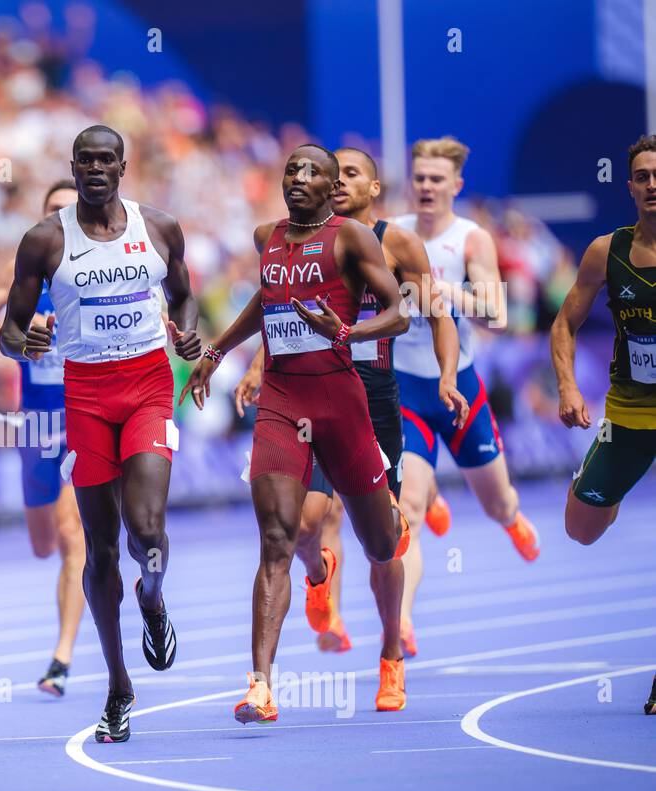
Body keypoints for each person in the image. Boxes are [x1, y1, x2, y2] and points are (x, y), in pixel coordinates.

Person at [181, 144, 409, 721]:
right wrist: (217, 350)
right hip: (283, 402)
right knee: (277, 538)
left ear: (333, 187)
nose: (300, 179)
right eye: (292, 170)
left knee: (381, 545)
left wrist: (350, 331)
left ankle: (389, 653)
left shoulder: (352, 239)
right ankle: (261, 685)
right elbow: (267, 299)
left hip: (342, 402)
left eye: (314, 173)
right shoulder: (269, 238)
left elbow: (398, 313)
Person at [232, 147, 467, 688]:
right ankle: (317, 576)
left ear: (371, 188)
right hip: (300, 395)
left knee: (380, 540)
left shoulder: (393, 242)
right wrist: (251, 362)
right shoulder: (290, 238)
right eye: (323, 174)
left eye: (348, 175)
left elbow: (433, 313)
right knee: (307, 523)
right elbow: (283, 312)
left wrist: (447, 376)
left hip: (371, 398)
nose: (334, 183)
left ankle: (391, 652)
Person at [0, 126, 201, 743]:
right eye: (83, 160)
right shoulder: (43, 241)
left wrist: (188, 339)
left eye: (104, 160)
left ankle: (154, 597)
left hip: (146, 385)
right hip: (84, 396)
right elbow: (9, 330)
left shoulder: (160, 228)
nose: (94, 169)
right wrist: (25, 341)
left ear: (122, 166)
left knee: (147, 531)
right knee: (100, 549)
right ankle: (118, 685)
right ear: (72, 166)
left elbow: (185, 297)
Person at [392, 137, 540, 656]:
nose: (427, 187)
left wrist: (439, 291)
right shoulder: (392, 234)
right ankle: (403, 623)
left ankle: (511, 518)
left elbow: (498, 317)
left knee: (497, 502)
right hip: (405, 388)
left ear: (456, 185)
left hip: (461, 391)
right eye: (420, 178)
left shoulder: (471, 239)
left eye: (437, 179)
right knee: (404, 509)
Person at [0, 180, 86, 697]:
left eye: (69, 209)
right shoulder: (23, 284)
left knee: (71, 535)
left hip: (83, 420)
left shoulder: (101, 280)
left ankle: (61, 658)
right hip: (35, 429)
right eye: (52, 209)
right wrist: (15, 322)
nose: (60, 215)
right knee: (43, 545)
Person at [549, 133, 656, 715]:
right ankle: (609, 492)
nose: (653, 184)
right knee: (581, 528)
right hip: (627, 415)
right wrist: (567, 385)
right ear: (630, 186)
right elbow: (564, 323)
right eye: (642, 175)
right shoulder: (604, 252)